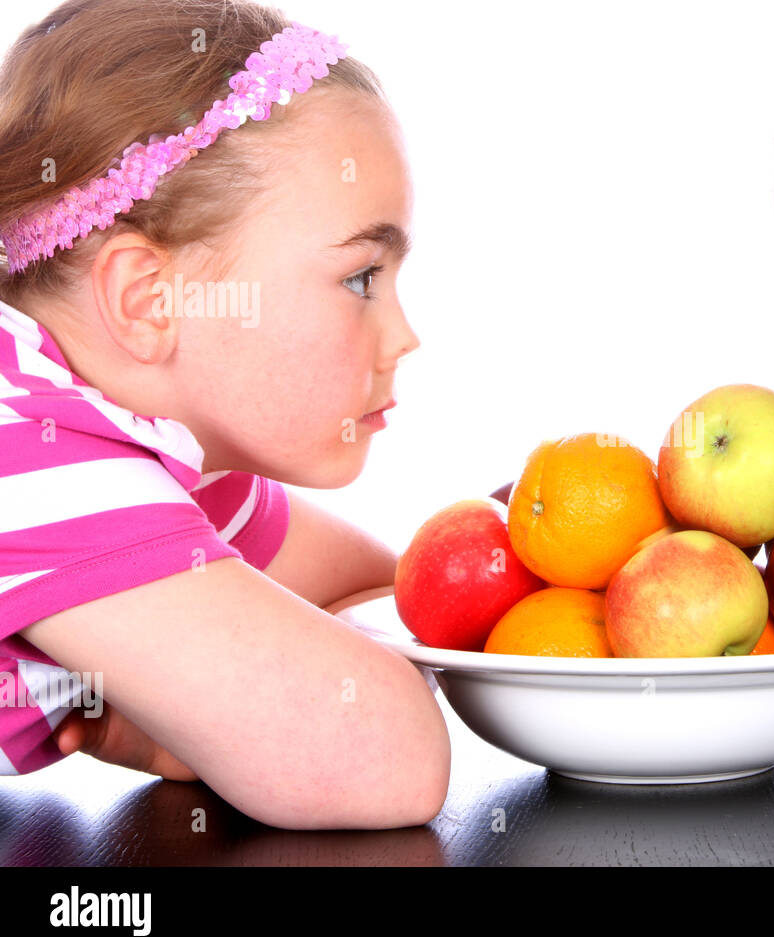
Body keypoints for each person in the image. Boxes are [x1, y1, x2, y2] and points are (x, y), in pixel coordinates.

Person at [0, 0, 450, 829]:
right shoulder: (30, 456)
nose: (406, 336)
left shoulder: (153, 456)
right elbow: (385, 761)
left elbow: (387, 591)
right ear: (148, 300)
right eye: (360, 278)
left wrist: (203, 702)